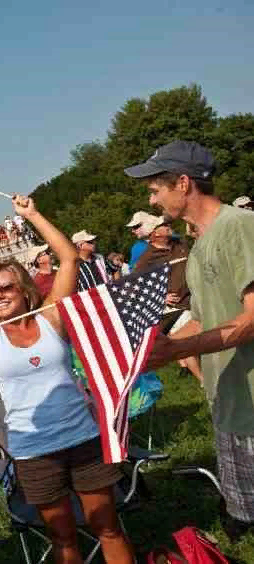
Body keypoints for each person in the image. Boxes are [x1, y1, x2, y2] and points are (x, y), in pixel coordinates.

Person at [0, 195, 135, 564]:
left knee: (108, 527)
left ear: (24, 290)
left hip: (82, 438)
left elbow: (68, 259)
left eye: (6, 287)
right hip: (33, 450)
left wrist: (33, 214)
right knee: (62, 538)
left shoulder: (51, 318)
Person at [127, 140, 254, 537]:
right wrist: (142, 354)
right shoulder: (199, 246)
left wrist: (179, 349)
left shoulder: (239, 226)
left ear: (183, 183)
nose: (152, 200)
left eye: (155, 189)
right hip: (230, 398)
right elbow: (202, 318)